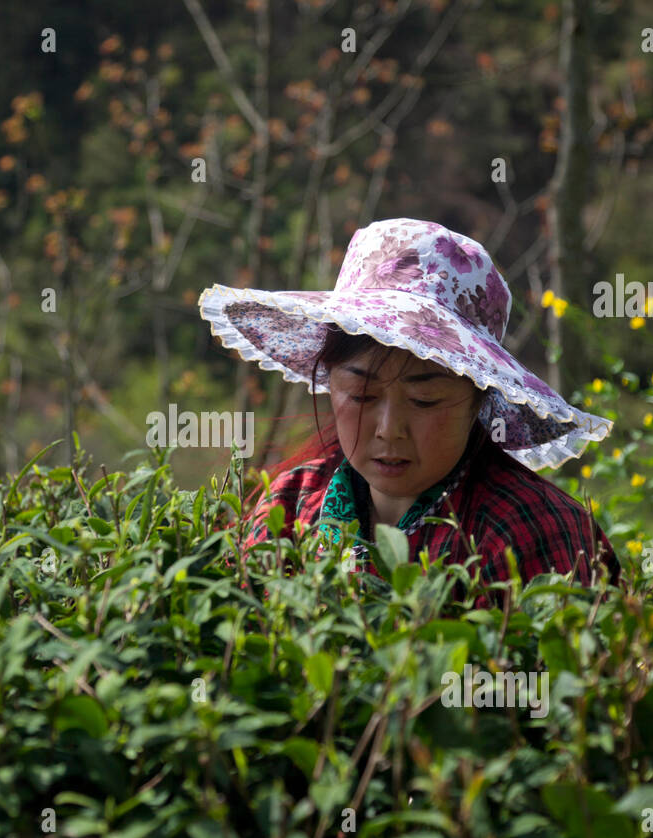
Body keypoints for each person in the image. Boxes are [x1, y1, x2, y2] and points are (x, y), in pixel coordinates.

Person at [196, 218, 622, 610]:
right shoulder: (289, 507)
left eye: (424, 401)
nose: (389, 430)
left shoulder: (530, 528)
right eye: (362, 395)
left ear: (480, 399)